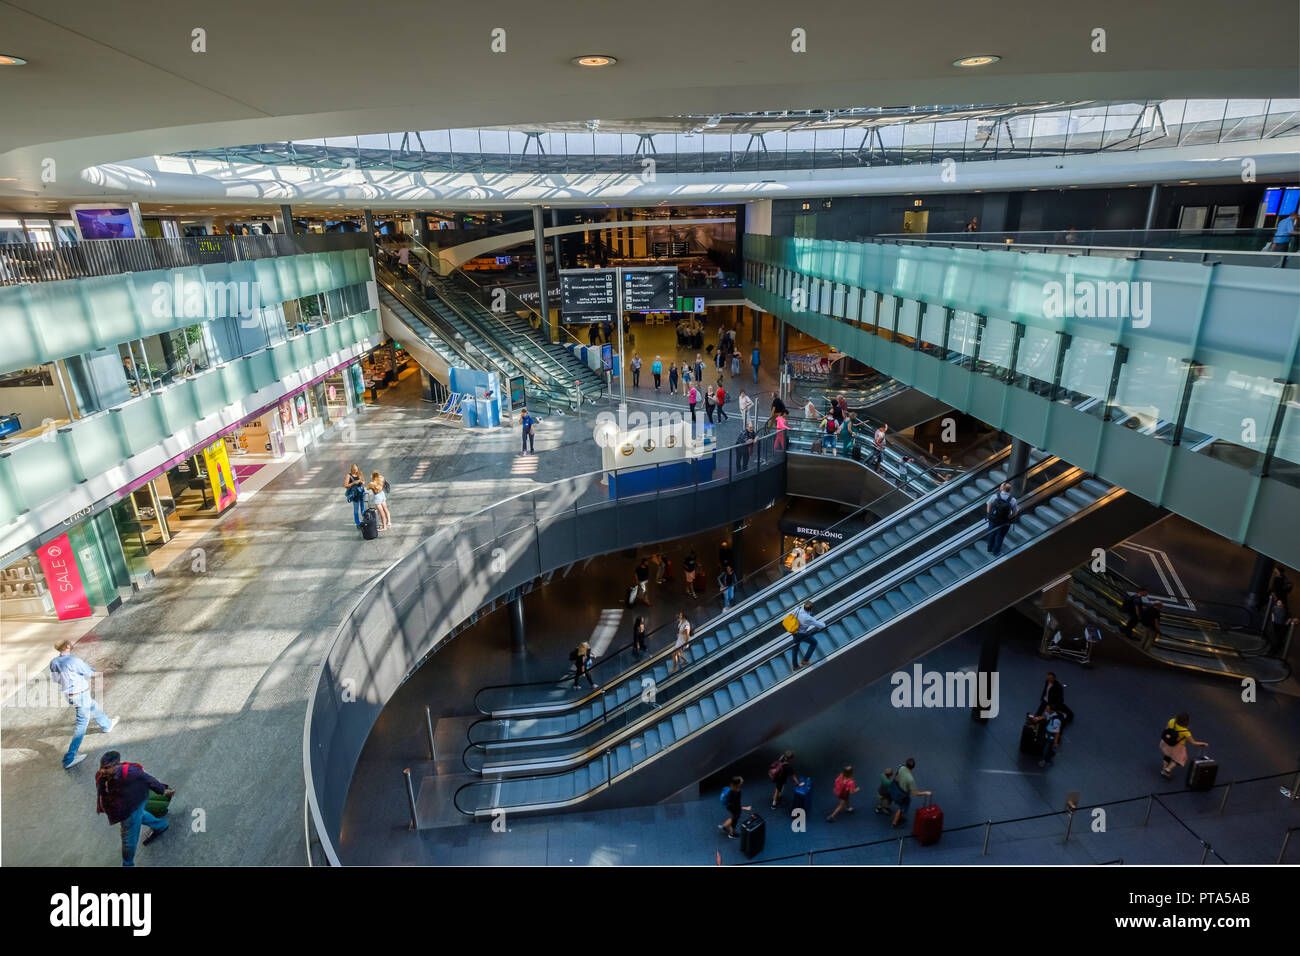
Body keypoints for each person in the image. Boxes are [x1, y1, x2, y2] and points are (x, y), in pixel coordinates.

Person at [49, 641, 118, 770]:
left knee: (93, 706)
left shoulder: (54, 662)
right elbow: (91, 673)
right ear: (67, 646)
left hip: (70, 694)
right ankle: (69, 758)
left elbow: (56, 679)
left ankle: (106, 724)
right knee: (81, 725)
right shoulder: (75, 661)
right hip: (80, 694)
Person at [96, 752, 172, 866]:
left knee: (128, 840)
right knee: (140, 816)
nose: (102, 771)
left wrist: (163, 790)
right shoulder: (102, 776)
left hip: (130, 808)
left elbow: (149, 780)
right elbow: (101, 792)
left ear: (117, 765)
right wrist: (101, 806)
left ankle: (128, 864)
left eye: (106, 768)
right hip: (126, 807)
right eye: (101, 767)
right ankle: (161, 825)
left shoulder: (131, 773)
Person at [1159, 712, 1208, 779]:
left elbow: (1166, 730)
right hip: (1177, 747)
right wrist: (1203, 743)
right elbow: (1193, 743)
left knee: (1167, 755)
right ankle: (1167, 770)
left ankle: (1164, 768)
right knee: (1179, 759)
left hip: (1167, 742)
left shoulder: (1172, 721)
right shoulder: (1185, 732)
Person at [889, 757, 931, 828]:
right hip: (902, 795)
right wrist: (926, 792)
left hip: (895, 788)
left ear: (906, 764)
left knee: (897, 803)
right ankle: (894, 823)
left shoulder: (901, 767)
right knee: (901, 808)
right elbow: (916, 793)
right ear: (913, 767)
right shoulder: (910, 779)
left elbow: (896, 777)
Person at [789, 601, 826, 669]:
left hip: (793, 630)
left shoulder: (797, 609)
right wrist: (824, 623)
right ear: (811, 609)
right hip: (801, 633)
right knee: (814, 643)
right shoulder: (808, 618)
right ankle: (805, 660)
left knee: (796, 647)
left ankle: (795, 666)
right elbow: (821, 626)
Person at [984, 481, 1018, 556]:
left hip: (993, 519)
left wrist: (989, 514)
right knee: (1000, 536)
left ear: (1002, 488)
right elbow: (1015, 513)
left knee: (991, 533)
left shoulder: (995, 496)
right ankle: (996, 551)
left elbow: (988, 504)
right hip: (1004, 521)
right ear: (1009, 490)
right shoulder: (1013, 500)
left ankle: (989, 548)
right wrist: (1008, 517)